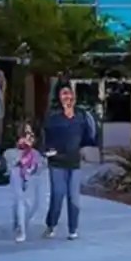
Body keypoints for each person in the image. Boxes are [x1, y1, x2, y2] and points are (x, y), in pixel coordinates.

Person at [41, 84, 95, 240]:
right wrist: (47, 151)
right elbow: (44, 137)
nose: (67, 97)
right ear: (59, 98)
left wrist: (84, 148)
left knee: (74, 197)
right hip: (57, 163)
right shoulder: (53, 117)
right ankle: (51, 225)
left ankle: (73, 228)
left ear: (73, 96)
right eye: (63, 94)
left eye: (69, 94)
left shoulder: (81, 116)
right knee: (57, 195)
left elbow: (88, 135)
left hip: (74, 163)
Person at [9, 123, 43, 243]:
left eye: (31, 133)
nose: (28, 136)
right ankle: (21, 230)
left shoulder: (36, 153)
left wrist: (35, 166)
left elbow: (39, 167)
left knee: (34, 204)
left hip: (31, 176)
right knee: (20, 201)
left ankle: (20, 221)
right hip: (17, 173)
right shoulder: (13, 152)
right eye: (25, 133)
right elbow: (11, 163)